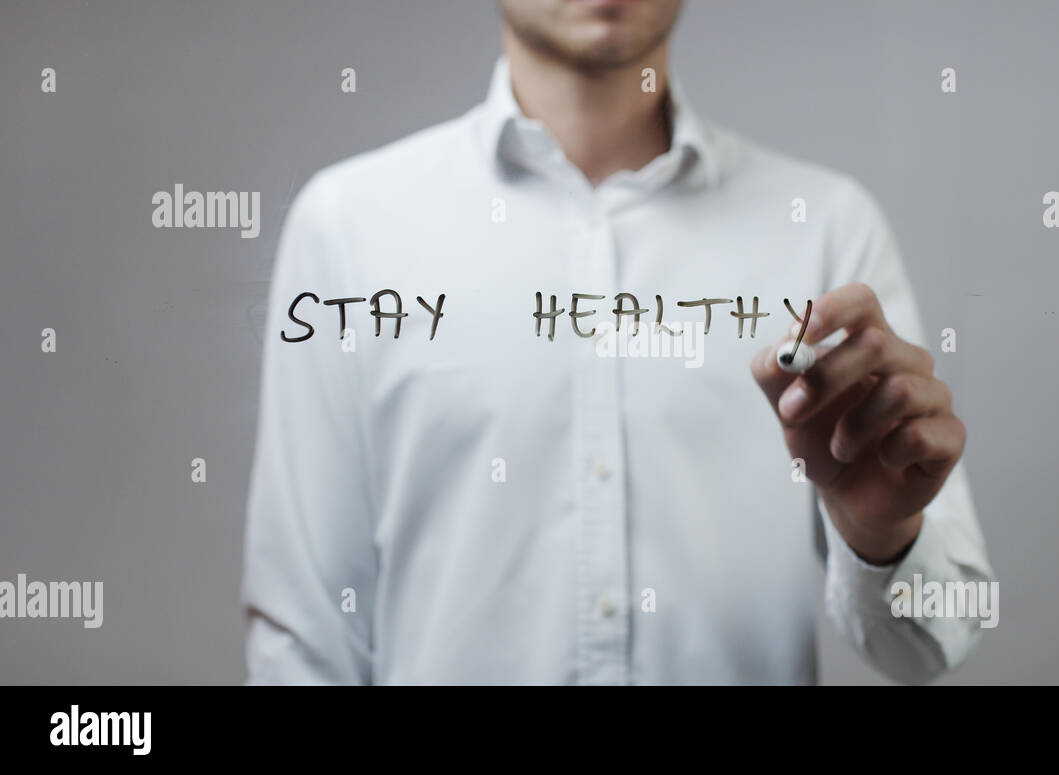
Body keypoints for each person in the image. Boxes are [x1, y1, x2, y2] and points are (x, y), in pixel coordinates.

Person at [242, 0, 994, 685]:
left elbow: (936, 638)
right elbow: (303, 645)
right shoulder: (347, 229)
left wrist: (882, 533)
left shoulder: (825, 229)